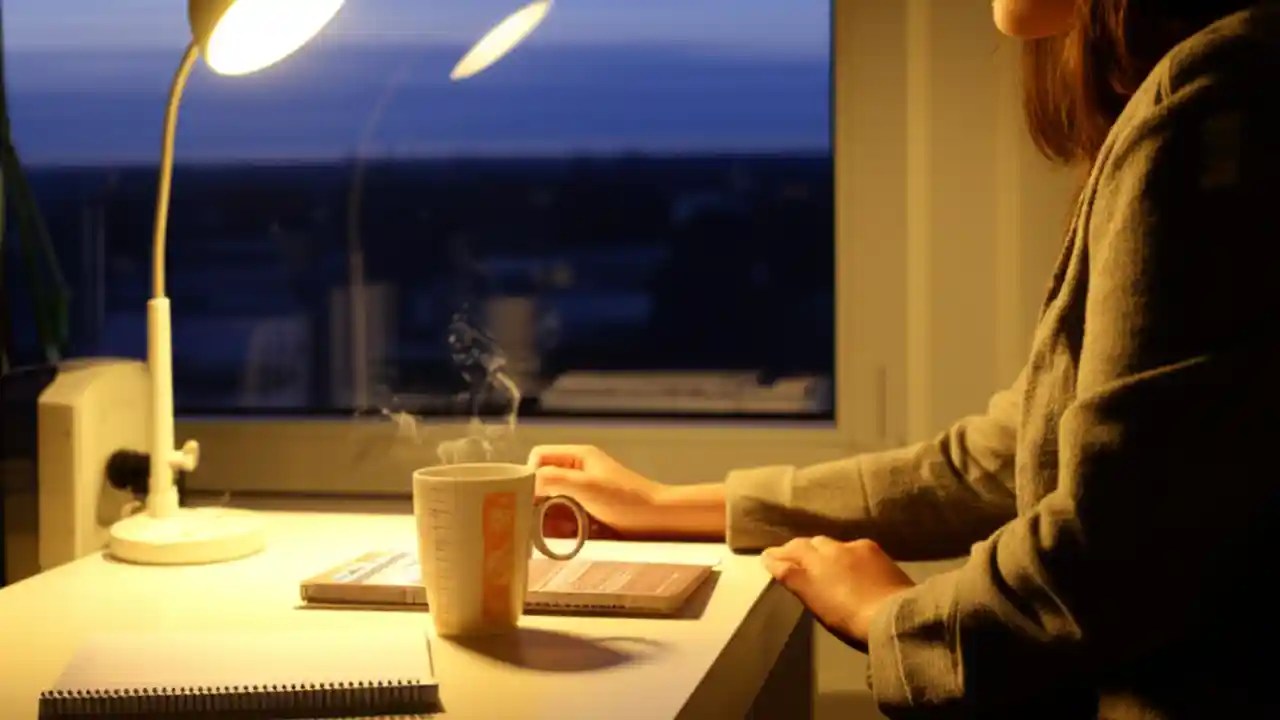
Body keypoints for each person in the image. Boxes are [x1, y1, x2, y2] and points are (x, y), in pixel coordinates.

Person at [529, 0, 1280, 717]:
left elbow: (1119, 550)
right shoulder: (1213, 86)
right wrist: (668, 507)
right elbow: (1001, 457)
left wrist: (896, 619)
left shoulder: (1215, 101)